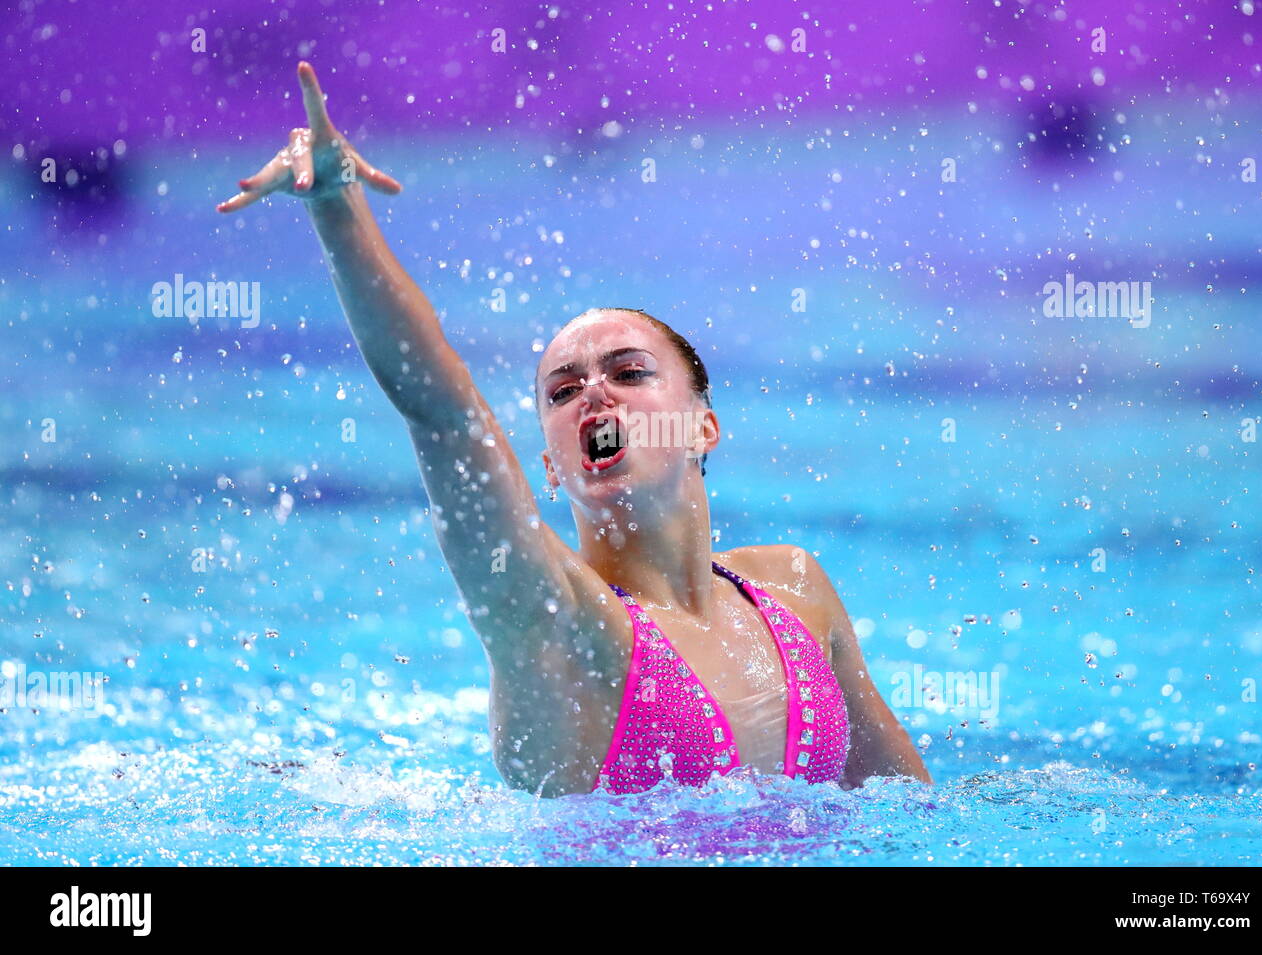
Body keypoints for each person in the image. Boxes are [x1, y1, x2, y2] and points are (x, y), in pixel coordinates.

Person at [217, 62, 933, 797]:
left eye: (628, 373)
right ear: (553, 465)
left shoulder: (795, 589)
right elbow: (443, 414)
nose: (593, 392)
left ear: (703, 427)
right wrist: (339, 209)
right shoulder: (557, 624)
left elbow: (915, 818)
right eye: (563, 391)